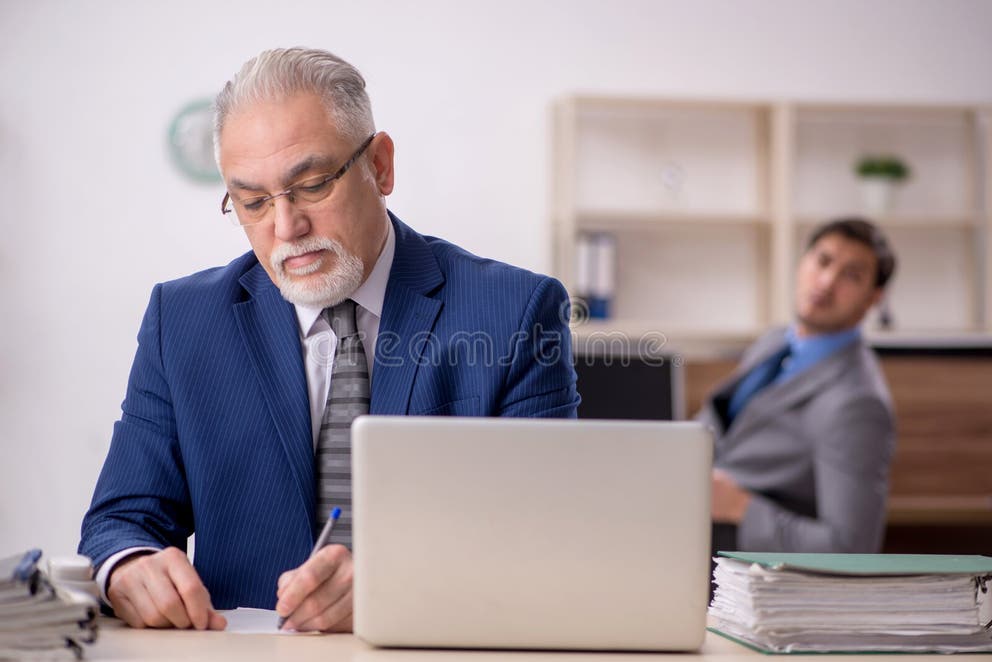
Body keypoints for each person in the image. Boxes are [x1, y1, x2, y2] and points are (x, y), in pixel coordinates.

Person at [79, 47, 579, 633]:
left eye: (312, 185)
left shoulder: (516, 313)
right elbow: (122, 517)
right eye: (253, 202)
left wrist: (397, 585)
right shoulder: (184, 320)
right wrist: (129, 565)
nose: (285, 228)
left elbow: (548, 539)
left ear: (381, 166)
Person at [698, 218, 897, 555]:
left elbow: (851, 548)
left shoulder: (858, 403)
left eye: (852, 275)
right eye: (823, 261)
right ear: (802, 262)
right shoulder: (776, 342)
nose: (827, 281)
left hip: (740, 579)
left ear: (872, 299)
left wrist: (740, 507)